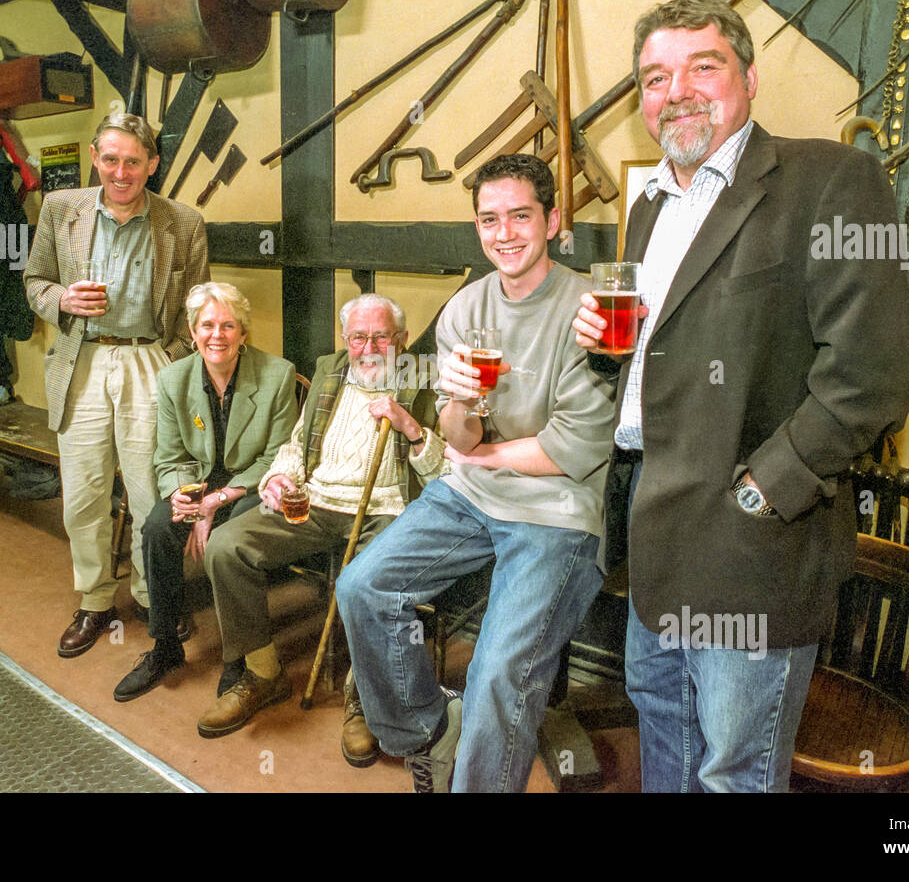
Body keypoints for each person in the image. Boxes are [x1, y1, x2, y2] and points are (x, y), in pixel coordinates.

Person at [572, 0, 909, 792]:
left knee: (735, 770)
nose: (677, 89)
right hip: (649, 532)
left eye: (704, 65)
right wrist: (607, 353)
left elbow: (873, 376)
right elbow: (664, 360)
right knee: (660, 724)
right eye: (654, 77)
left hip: (749, 548)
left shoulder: (831, 179)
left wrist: (765, 493)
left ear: (750, 77)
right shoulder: (649, 204)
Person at [336, 154, 617, 793]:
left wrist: (480, 453)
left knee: (497, 674)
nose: (505, 233)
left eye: (521, 215)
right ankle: (430, 733)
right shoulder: (465, 309)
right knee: (362, 590)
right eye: (490, 219)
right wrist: (460, 404)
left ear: (551, 220)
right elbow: (458, 438)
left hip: (556, 509)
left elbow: (570, 450)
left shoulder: (587, 309)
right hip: (470, 496)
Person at [193, 293, 443, 769]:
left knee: (366, 587)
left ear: (403, 341)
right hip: (315, 500)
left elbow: (446, 473)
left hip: (386, 509)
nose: (368, 347)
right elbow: (295, 443)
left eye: (380, 337)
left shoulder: (425, 382)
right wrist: (280, 477)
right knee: (227, 546)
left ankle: (364, 697)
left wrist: (411, 428)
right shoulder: (331, 370)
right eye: (357, 337)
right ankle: (263, 673)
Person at [23, 112, 208, 658]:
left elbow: (195, 307)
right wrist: (61, 300)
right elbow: (34, 281)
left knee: (153, 494)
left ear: (152, 164)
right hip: (81, 360)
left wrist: (170, 360)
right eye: (110, 159)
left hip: (148, 361)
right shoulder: (61, 210)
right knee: (83, 495)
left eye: (133, 162)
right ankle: (95, 601)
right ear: (94, 157)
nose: (120, 172)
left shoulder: (185, 222)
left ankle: (158, 599)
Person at [112, 281, 297, 702]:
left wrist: (217, 501)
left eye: (228, 325)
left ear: (243, 334)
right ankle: (165, 647)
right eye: (207, 325)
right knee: (158, 528)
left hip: (251, 485)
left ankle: (239, 656)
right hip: (197, 485)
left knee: (228, 541)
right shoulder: (173, 378)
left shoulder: (277, 375)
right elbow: (169, 454)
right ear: (193, 333)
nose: (218, 335)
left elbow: (278, 456)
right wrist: (182, 495)